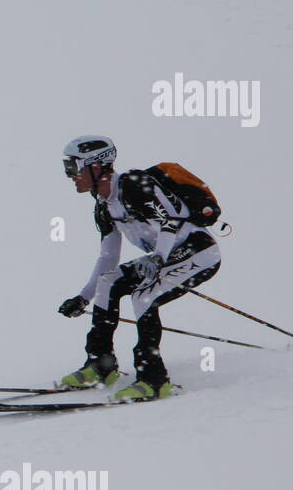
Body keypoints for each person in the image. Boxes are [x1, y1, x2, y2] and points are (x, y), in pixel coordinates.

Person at [57, 136, 222, 402]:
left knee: (144, 295)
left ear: (96, 165)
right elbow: (108, 256)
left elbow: (169, 221)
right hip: (163, 257)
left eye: (73, 166)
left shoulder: (134, 185)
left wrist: (157, 258)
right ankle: (101, 365)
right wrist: (83, 297)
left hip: (199, 251)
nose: (70, 175)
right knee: (108, 282)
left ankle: (154, 380)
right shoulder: (104, 205)